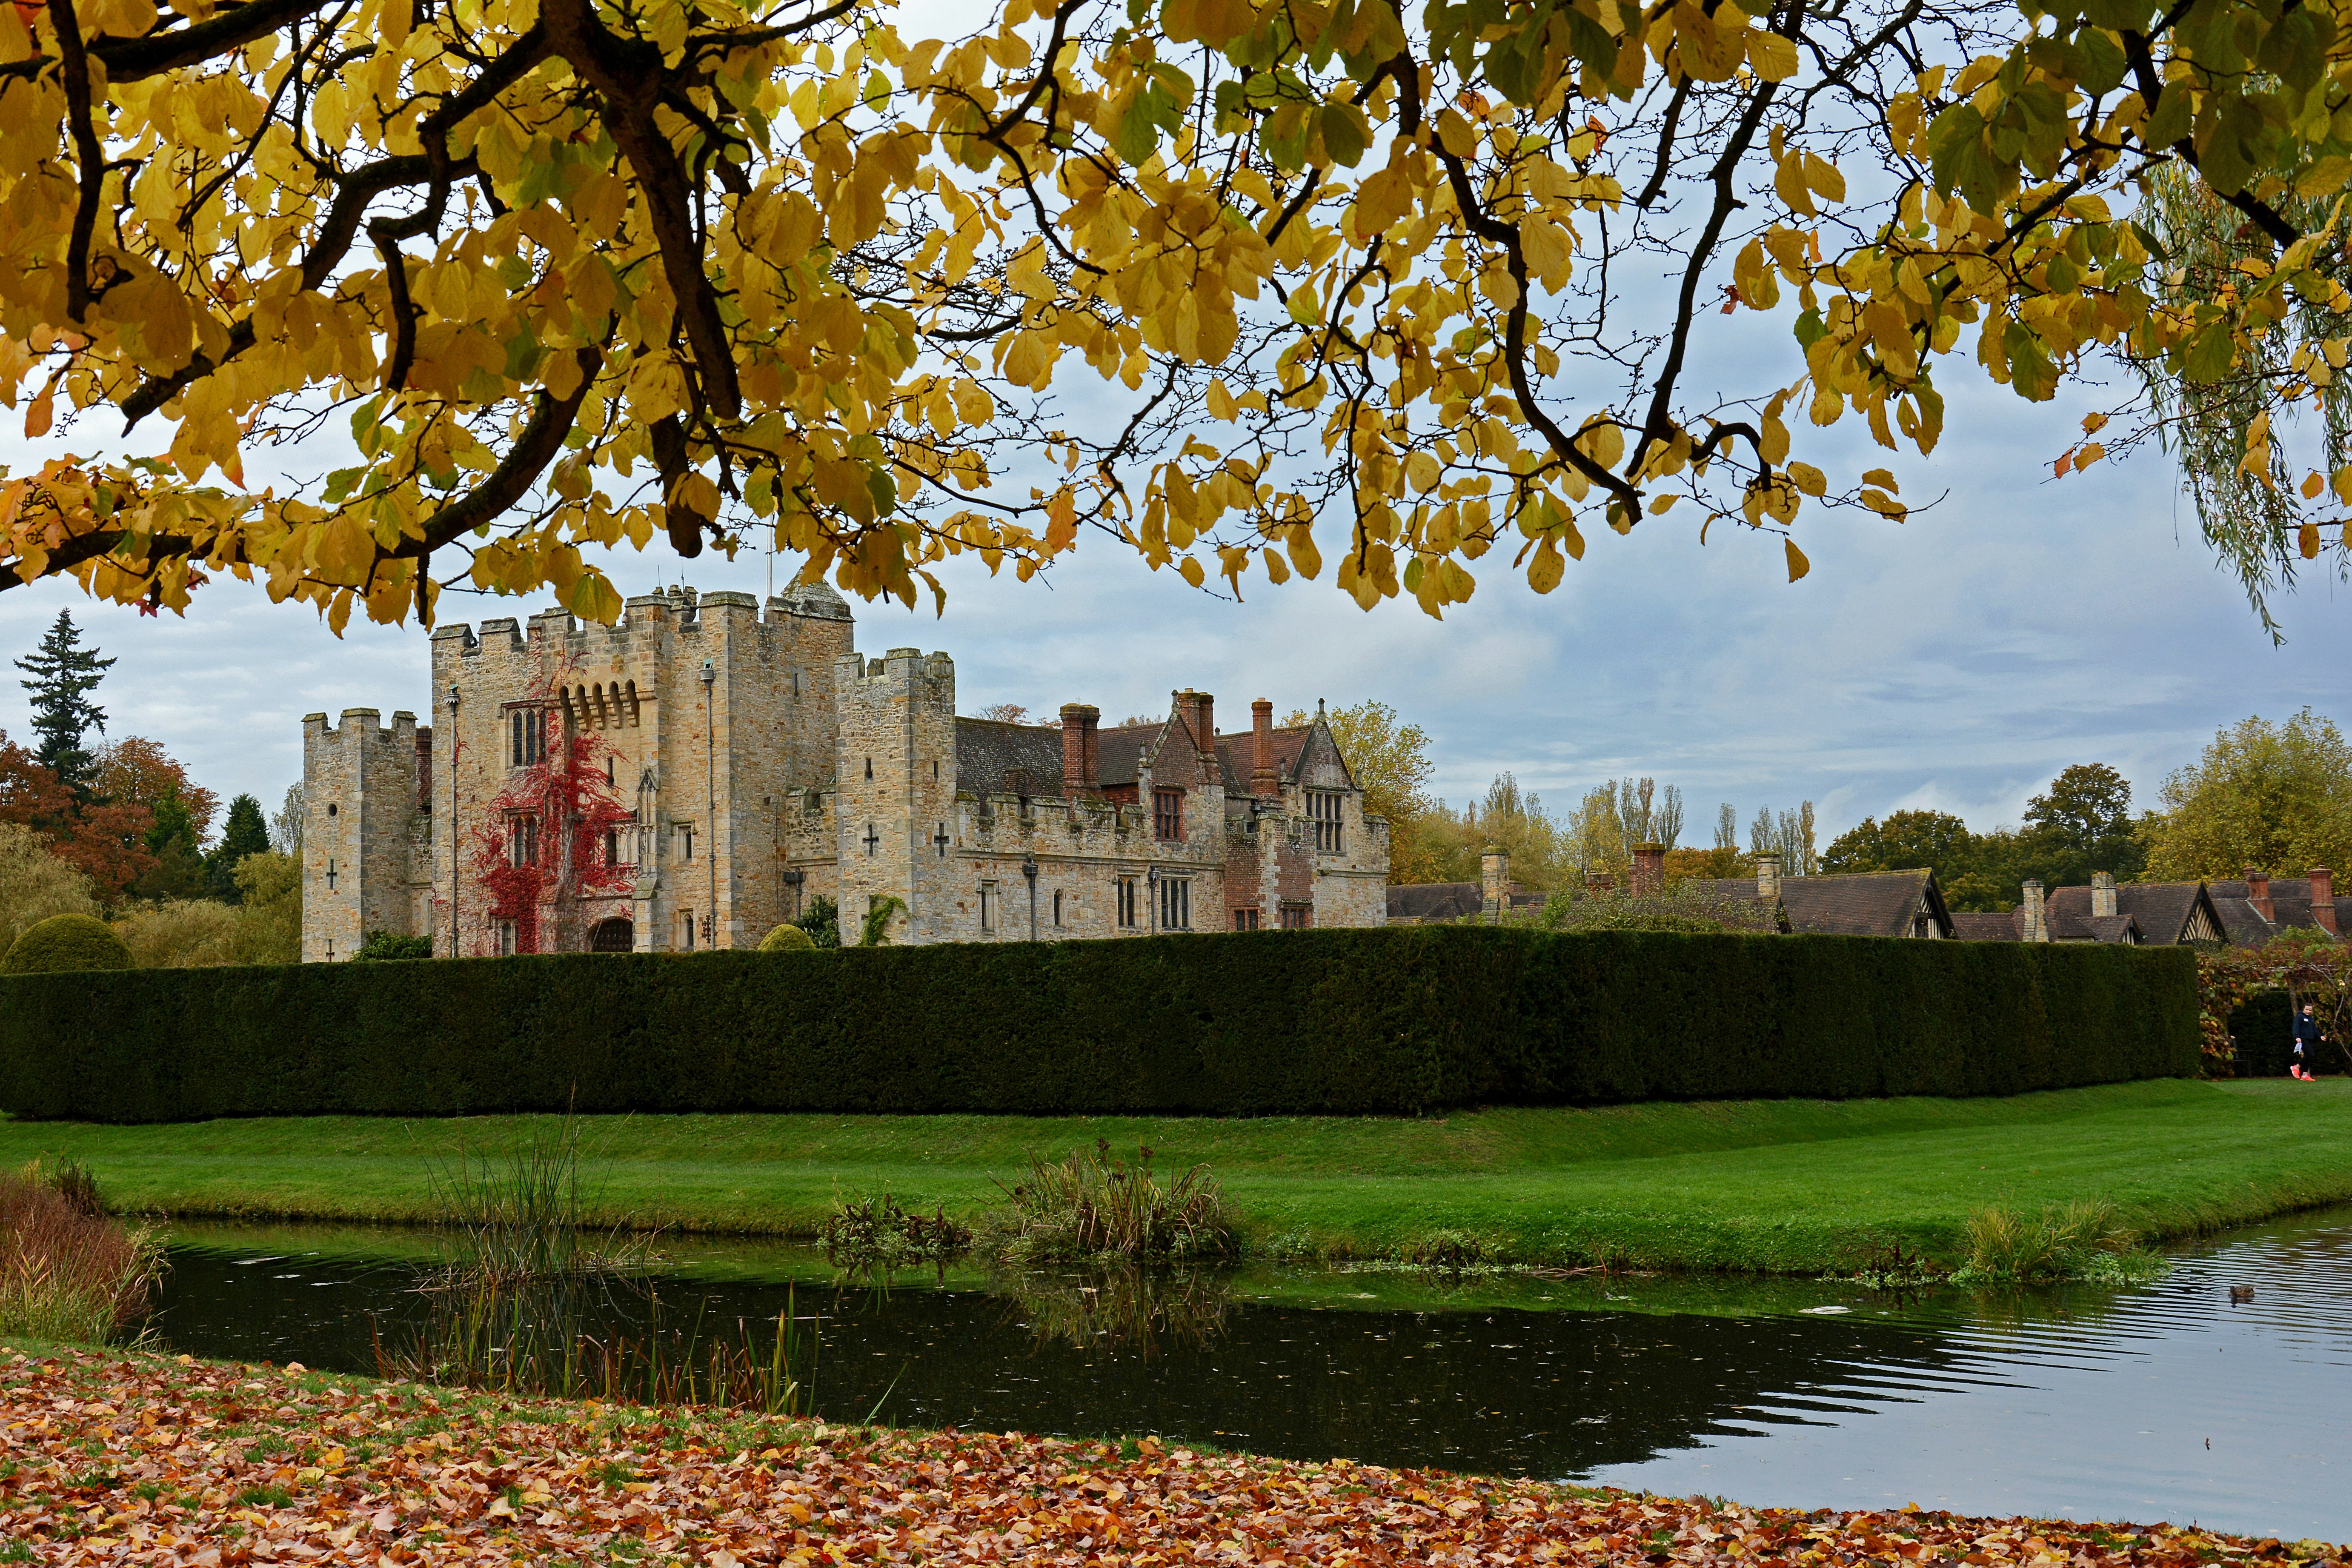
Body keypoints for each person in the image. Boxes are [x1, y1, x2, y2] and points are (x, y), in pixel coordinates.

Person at [2292, 1001, 2324, 1079]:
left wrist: (2320, 1036)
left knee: (2308, 1056)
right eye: (2307, 1010)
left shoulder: (2311, 1019)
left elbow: (2315, 1030)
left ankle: (2305, 1075)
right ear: (2304, 1009)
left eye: (2310, 1010)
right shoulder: (2299, 1017)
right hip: (2302, 1039)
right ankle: (2296, 1068)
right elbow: (2296, 1027)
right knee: (2310, 1054)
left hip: (2310, 1039)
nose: (2308, 1011)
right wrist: (2297, 1037)